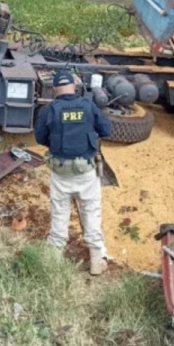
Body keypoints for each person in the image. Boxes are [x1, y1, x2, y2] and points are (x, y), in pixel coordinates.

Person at [35, 70, 113, 275]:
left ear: (54, 89)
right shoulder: (88, 106)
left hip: (61, 172)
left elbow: (40, 138)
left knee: (60, 213)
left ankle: (53, 260)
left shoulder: (49, 110)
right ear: (75, 85)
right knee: (91, 211)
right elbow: (106, 129)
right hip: (86, 171)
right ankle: (97, 260)